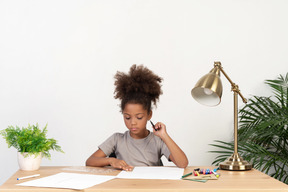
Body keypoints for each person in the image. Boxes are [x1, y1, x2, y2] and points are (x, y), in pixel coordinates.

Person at [86, 64, 188, 171]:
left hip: (150, 186)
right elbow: (90, 161)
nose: (133, 123)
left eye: (139, 117)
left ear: (149, 115)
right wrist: (111, 160)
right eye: (127, 117)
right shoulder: (117, 139)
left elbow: (183, 163)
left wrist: (164, 136)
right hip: (126, 186)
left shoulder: (157, 141)